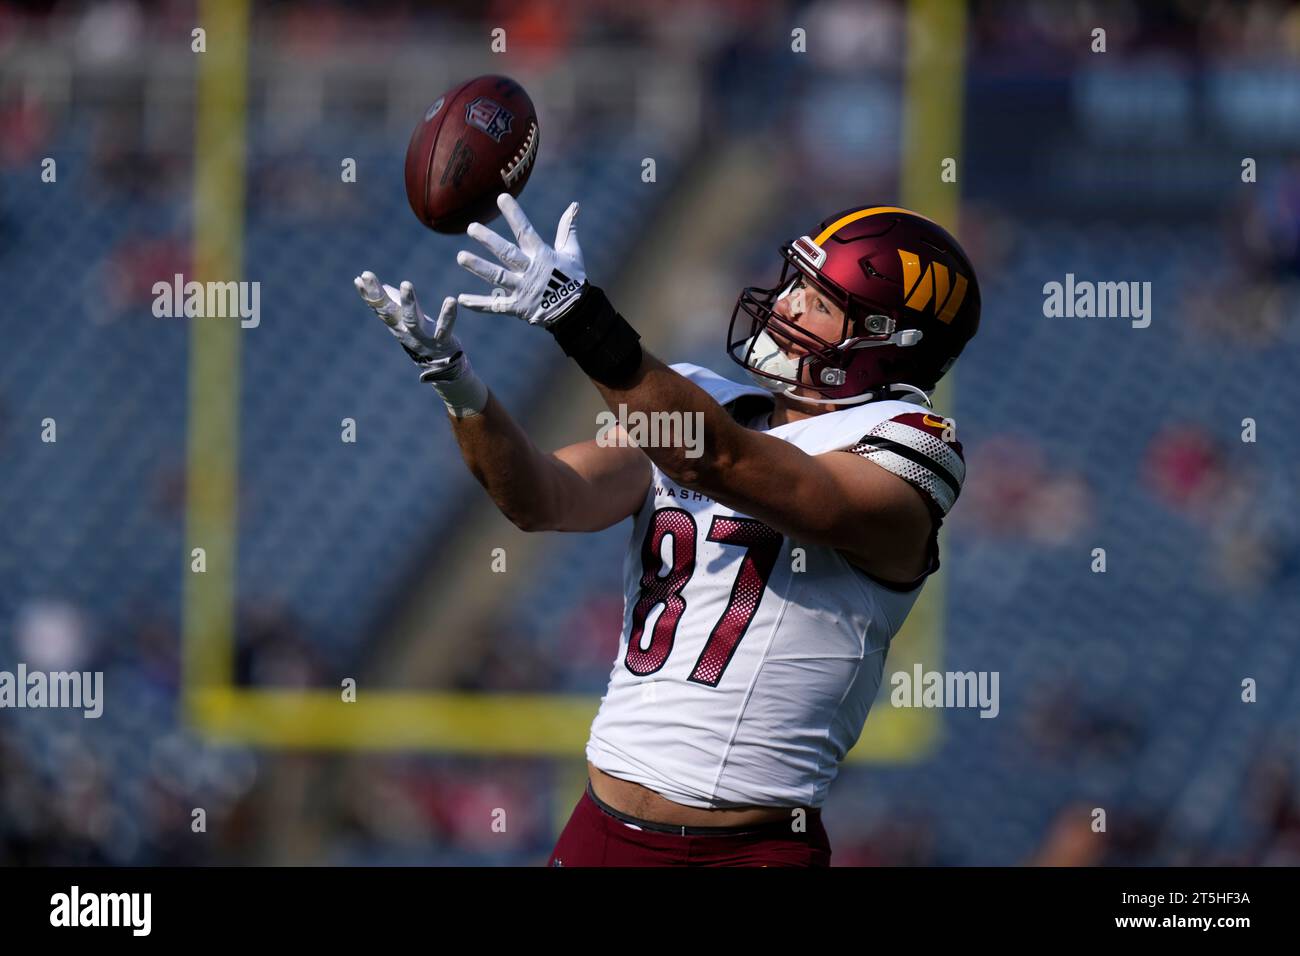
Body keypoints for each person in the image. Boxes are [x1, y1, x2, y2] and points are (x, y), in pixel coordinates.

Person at [354, 195, 980, 867]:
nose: (788, 304)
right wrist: (459, 387)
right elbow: (540, 498)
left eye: (820, 301)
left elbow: (720, 461)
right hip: (601, 827)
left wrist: (581, 319)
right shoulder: (706, 397)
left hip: (748, 851)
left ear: (888, 341)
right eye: (797, 282)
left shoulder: (910, 451)